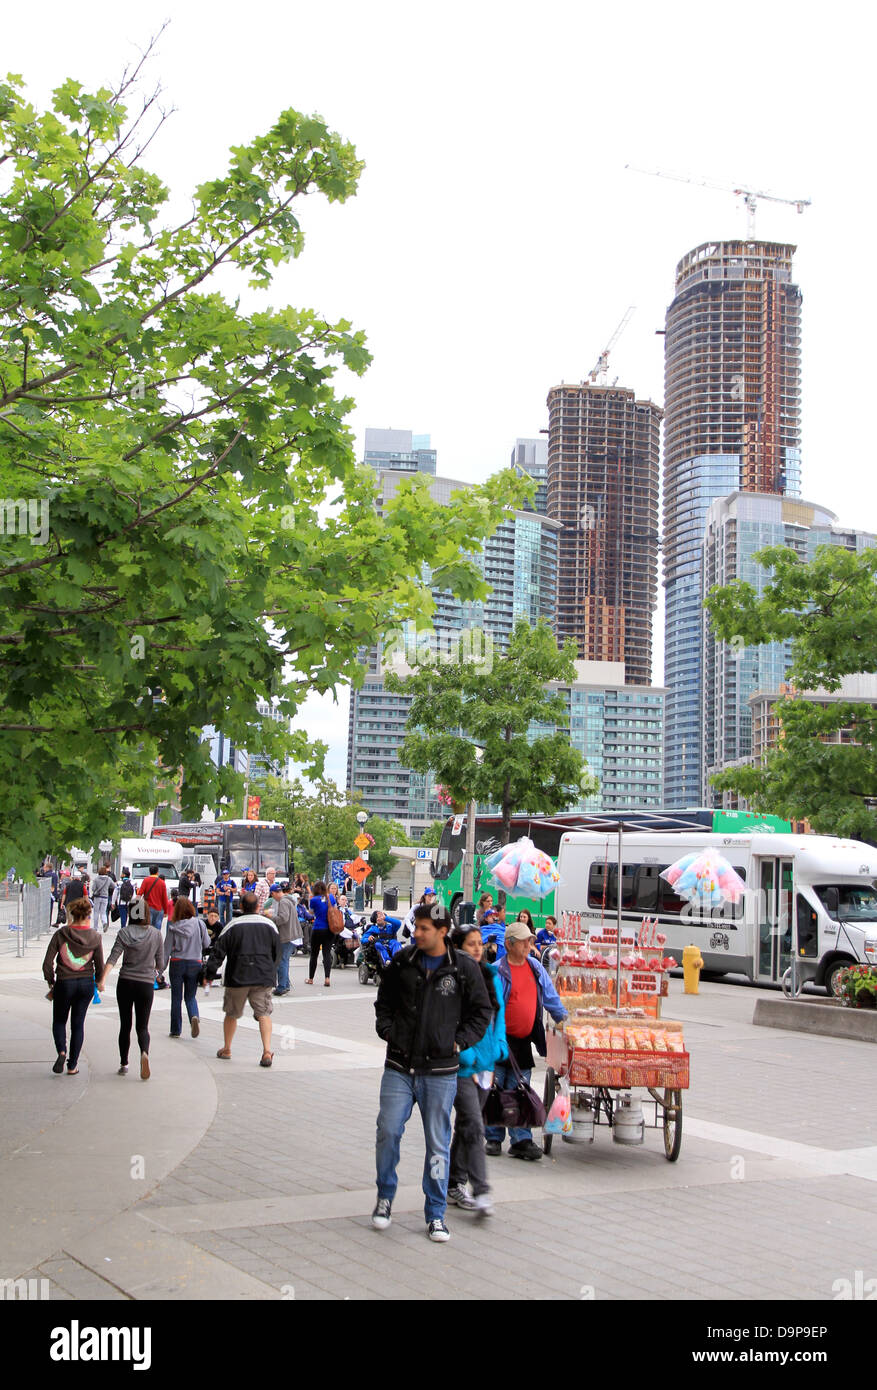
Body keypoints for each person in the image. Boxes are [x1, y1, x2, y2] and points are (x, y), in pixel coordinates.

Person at [372, 901, 493, 1242]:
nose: (417, 933)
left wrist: (459, 1042)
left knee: (438, 1145)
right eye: (417, 927)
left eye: (425, 928)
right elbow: (383, 1002)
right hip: (398, 1065)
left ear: (443, 932)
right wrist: (388, 1030)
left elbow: (481, 1011)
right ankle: (384, 1197)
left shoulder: (464, 969)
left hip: (441, 1071)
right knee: (388, 1131)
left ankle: (436, 1213)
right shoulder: (402, 961)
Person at [485, 921, 568, 1160]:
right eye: (523, 941)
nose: (528, 944)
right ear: (509, 945)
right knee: (496, 1089)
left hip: (523, 1040)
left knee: (520, 1090)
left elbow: (550, 996)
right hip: (500, 1040)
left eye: (530, 940)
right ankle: (493, 1137)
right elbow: (489, 1008)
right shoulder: (497, 971)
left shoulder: (534, 967)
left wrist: (562, 1018)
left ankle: (521, 1140)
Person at [446, 924, 507, 1217]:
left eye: (479, 943)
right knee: (474, 1124)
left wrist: (499, 1050)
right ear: (458, 948)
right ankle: (482, 1189)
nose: (478, 948)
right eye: (471, 944)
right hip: (462, 1067)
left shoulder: (491, 976)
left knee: (467, 1126)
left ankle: (453, 1182)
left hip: (487, 1064)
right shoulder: (453, 979)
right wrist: (467, 1056)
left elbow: (499, 1017)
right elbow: (451, 1023)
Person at [205, 891, 279, 1066]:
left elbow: (218, 952)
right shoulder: (269, 925)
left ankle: (227, 1048)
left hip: (237, 975)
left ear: (241, 907)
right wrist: (271, 971)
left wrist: (209, 974)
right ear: (258, 907)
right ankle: (267, 1051)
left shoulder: (232, 925)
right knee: (264, 1013)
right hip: (263, 976)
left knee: (232, 1013)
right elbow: (278, 953)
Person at [100, 895, 165, 1078]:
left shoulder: (124, 933)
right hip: (145, 983)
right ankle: (144, 1052)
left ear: (131, 913)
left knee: (125, 1024)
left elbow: (113, 957)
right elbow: (160, 963)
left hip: (126, 982)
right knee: (142, 1026)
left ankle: (124, 1063)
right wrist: (154, 972)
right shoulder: (155, 933)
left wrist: (102, 979)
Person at [43, 896, 105, 1075]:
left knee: (60, 1021)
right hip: (85, 983)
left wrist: (51, 981)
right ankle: (72, 1066)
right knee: (78, 1024)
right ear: (88, 914)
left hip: (64, 982)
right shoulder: (95, 936)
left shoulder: (61, 934)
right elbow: (99, 965)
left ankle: (61, 1051)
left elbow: (47, 963)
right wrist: (98, 981)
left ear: (72, 913)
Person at [165, 897, 210, 1039]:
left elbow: (166, 949)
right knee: (190, 996)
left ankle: (175, 1030)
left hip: (177, 962)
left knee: (176, 998)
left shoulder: (173, 926)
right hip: (194, 963)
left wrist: (160, 969)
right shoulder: (199, 924)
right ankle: (194, 1016)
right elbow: (207, 943)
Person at [306, 880, 339, 987]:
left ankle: (311, 978)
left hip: (318, 928)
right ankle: (327, 978)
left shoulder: (314, 900)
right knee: (326, 953)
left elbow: (310, 913)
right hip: (329, 929)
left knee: (314, 954)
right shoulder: (331, 897)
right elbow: (335, 910)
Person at [271, 883, 297, 995]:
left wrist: (271, 918)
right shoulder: (288, 900)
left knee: (281, 961)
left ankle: (281, 987)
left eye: (272, 895)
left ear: (274, 893)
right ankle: (285, 985)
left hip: (286, 935)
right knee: (284, 960)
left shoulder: (283, 901)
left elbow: (283, 918)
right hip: (292, 935)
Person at [138, 865, 172, 929]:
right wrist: (165, 911)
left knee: (148, 927)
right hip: (159, 908)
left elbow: (140, 893)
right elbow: (164, 898)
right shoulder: (162, 883)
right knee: (158, 926)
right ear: (157, 872)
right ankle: (156, 938)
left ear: (149, 872)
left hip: (148, 907)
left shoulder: (146, 880)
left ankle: (149, 938)